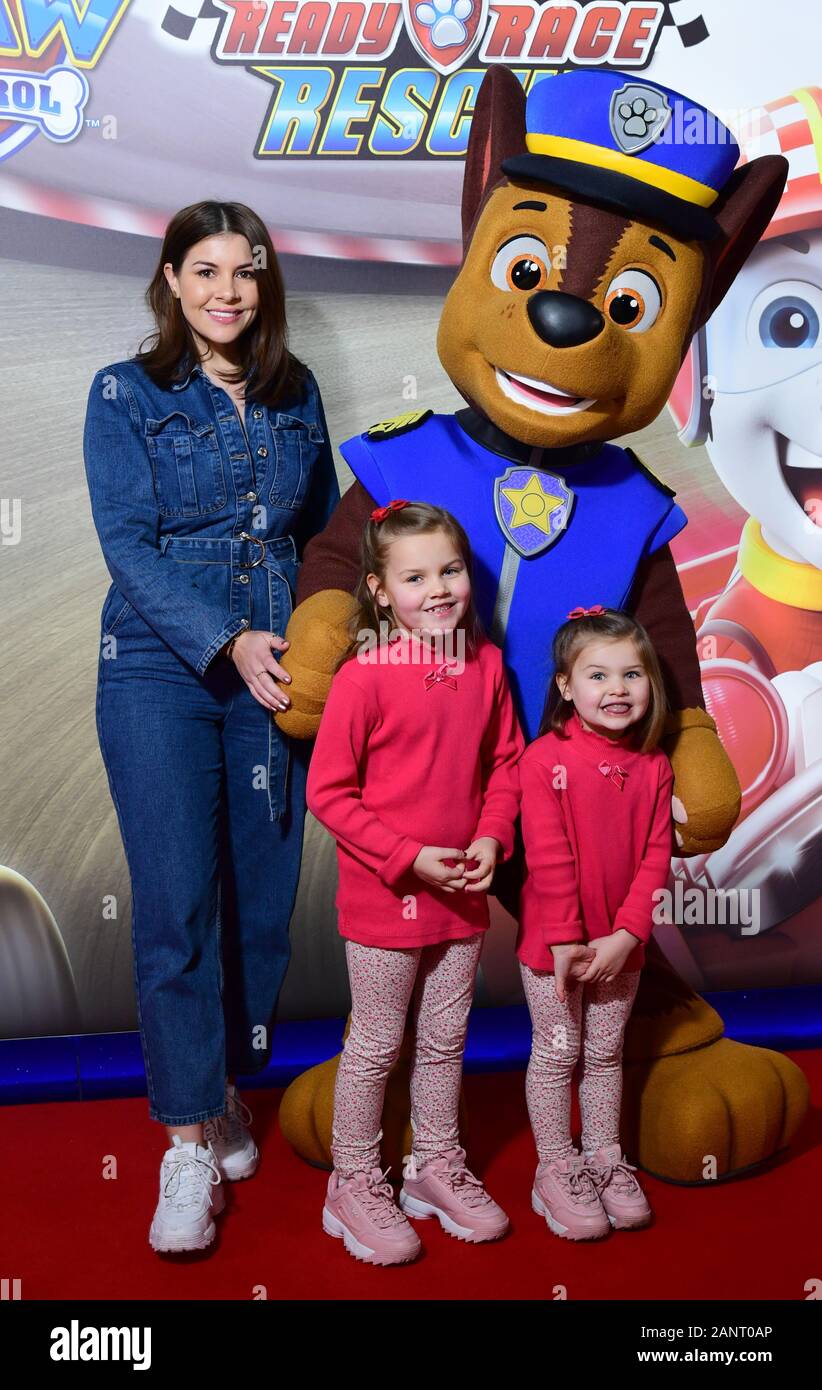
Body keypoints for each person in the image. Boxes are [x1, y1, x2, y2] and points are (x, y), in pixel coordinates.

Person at [82, 201, 340, 1253]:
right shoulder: (124, 392)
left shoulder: (295, 392)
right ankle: (186, 1140)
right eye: (205, 270)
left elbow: (324, 533)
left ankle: (222, 1088)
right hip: (158, 665)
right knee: (178, 901)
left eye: (244, 272)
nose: (226, 290)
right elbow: (128, 546)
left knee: (262, 903)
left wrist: (339, 640)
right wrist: (221, 637)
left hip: (276, 670)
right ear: (172, 282)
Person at [306, 500, 525, 1266]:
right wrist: (408, 858)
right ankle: (354, 1181)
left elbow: (506, 764)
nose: (439, 589)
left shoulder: (490, 666)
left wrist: (494, 835)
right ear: (379, 588)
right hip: (383, 901)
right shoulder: (363, 680)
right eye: (416, 576)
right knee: (373, 1046)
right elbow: (329, 794)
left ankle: (433, 1165)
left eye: (452, 570)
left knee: (444, 1039)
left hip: (462, 896)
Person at [517, 605, 675, 1240]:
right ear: (565, 686)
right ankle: (555, 1167)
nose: (617, 690)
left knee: (605, 1055)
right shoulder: (542, 761)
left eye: (631, 675)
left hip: (621, 949)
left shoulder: (655, 767)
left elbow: (656, 856)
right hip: (555, 952)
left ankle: (605, 1157)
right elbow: (549, 858)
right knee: (559, 1056)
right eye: (599, 676)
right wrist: (568, 941)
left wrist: (630, 934)